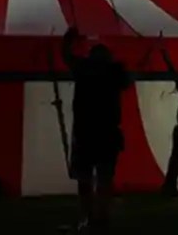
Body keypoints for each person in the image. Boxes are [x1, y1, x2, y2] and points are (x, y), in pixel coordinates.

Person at [62, 27, 131, 232]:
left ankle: (88, 215)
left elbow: (67, 57)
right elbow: (128, 79)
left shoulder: (84, 68)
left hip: (86, 133)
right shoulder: (114, 71)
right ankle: (101, 216)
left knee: (85, 179)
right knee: (104, 178)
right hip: (107, 133)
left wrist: (68, 40)